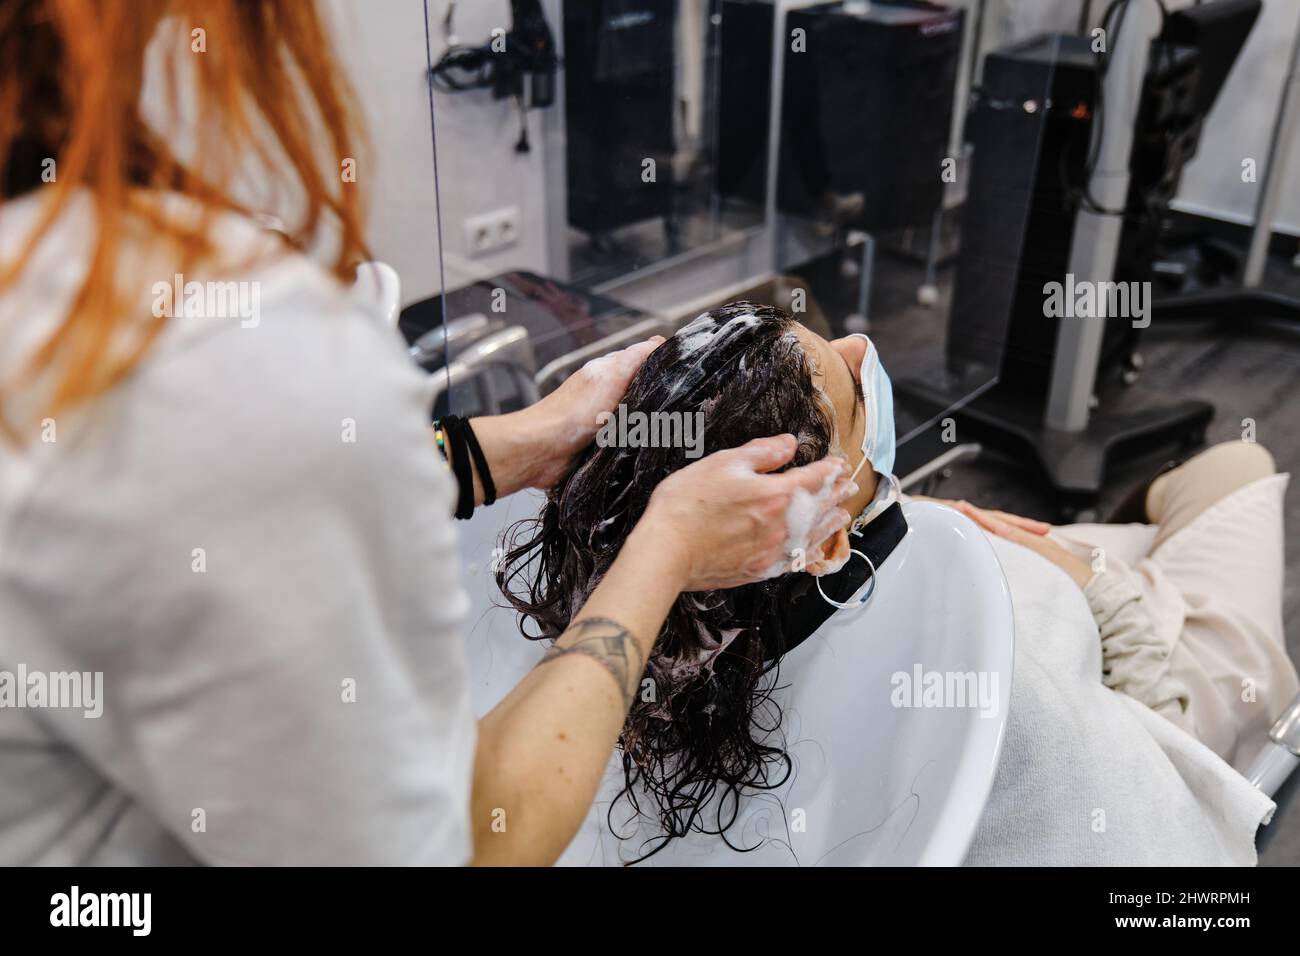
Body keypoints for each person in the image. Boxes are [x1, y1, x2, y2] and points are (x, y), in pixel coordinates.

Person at [0, 0, 854, 866]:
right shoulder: (207, 358)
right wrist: (665, 553)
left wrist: (511, 445)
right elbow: (463, 844)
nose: (863, 348)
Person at [499, 303, 1298, 865]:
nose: (857, 347)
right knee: (1238, 466)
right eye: (851, 400)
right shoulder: (1009, 628)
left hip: (1007, 614)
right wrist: (1088, 580)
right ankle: (1146, 523)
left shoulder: (594, 690)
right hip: (1143, 692)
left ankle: (1137, 527)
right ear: (821, 537)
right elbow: (1155, 775)